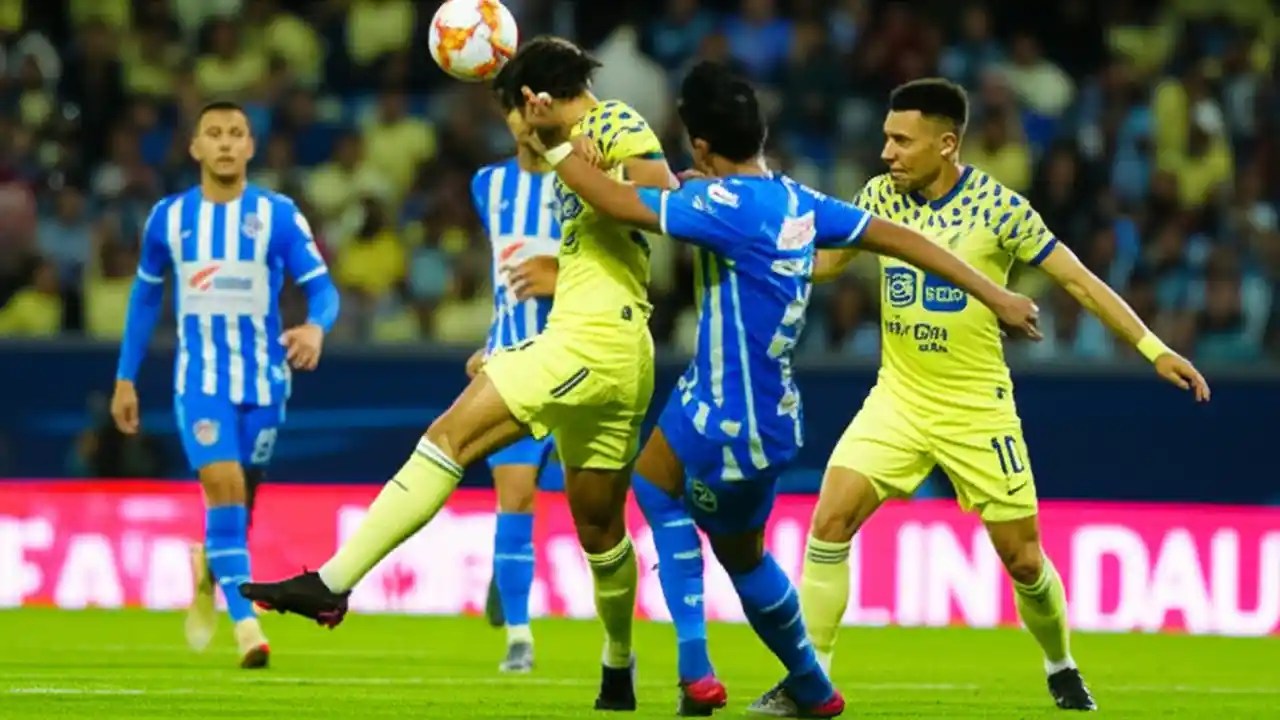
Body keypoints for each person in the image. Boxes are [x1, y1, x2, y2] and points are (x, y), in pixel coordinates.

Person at [522, 62, 1040, 718]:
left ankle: (753, 677)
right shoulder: (799, 201)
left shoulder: (718, 209)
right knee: (653, 484)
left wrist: (556, 145)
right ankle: (743, 677)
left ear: (701, 145)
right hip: (751, 409)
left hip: (728, 420)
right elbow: (904, 239)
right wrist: (996, 293)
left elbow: (619, 203)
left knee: (739, 558)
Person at [240, 36, 672, 711]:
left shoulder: (613, 123)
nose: (519, 126)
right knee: (599, 530)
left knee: (447, 439)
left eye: (518, 109)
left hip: (589, 345)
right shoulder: (568, 148)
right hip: (610, 349)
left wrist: (565, 156)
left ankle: (331, 583)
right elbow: (610, 241)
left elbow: (660, 202)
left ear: (534, 100)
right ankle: (619, 663)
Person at [797, 78, 1211, 712]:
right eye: (886, 138)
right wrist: (752, 249)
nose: (886, 153)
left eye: (901, 141)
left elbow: (1079, 281)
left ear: (946, 144)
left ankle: (1060, 662)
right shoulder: (879, 195)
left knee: (1023, 561)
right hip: (897, 399)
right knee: (829, 523)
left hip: (976, 409)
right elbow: (827, 265)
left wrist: (1154, 349)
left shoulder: (1001, 209)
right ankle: (810, 681)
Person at [111, 100, 339, 669]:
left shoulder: (277, 215)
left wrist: (315, 326)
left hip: (265, 383)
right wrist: (125, 378)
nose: (226, 143)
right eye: (213, 133)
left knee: (241, 503)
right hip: (201, 383)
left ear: (251, 146)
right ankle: (247, 629)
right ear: (195, 147)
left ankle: (211, 563)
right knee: (225, 487)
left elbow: (323, 289)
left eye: (236, 133)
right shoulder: (168, 218)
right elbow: (144, 299)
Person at [468, 107, 564, 674]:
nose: (528, 119)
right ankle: (520, 639)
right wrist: (494, 338)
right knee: (517, 496)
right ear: (507, 118)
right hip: (512, 364)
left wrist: (561, 273)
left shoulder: (585, 184)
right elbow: (503, 284)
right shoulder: (488, 185)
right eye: (517, 108)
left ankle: (507, 574)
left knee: (596, 510)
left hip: (580, 368)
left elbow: (621, 267)